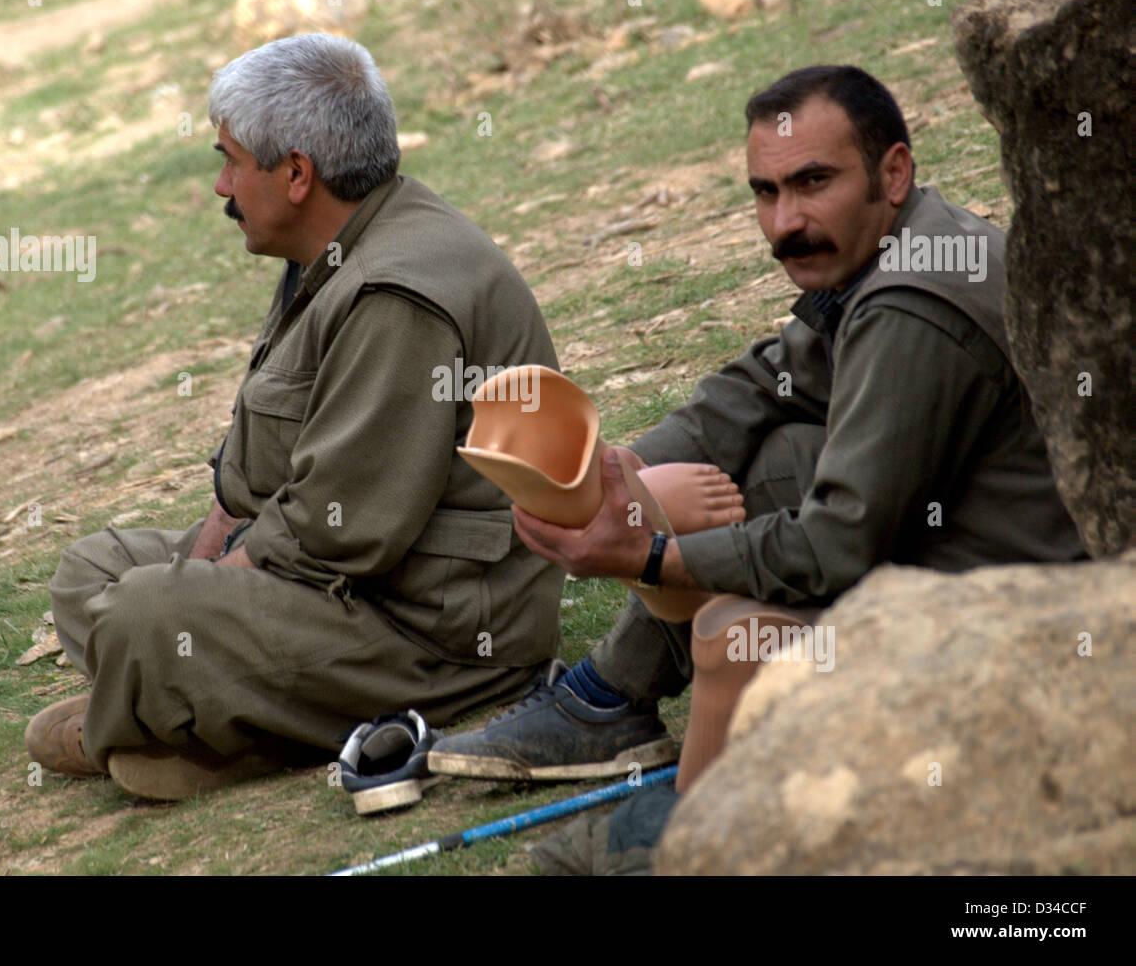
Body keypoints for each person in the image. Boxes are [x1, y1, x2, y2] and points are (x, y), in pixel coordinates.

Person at [427, 65, 1086, 801]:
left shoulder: (909, 308)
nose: (785, 223)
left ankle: (639, 737)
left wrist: (650, 556)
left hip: (1021, 592)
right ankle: (610, 700)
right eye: (766, 193)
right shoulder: (899, 244)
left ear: (893, 171)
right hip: (984, 530)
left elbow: (837, 543)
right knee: (760, 455)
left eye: (813, 183)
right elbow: (764, 383)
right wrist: (622, 473)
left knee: (742, 555)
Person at [24, 33, 565, 800]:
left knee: (148, 610)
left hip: (434, 631)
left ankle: (175, 720)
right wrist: (206, 571)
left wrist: (197, 596)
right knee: (94, 570)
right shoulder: (344, 247)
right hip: (354, 583)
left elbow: (341, 529)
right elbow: (262, 470)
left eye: (230, 160)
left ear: (297, 173)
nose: (220, 186)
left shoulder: (394, 292)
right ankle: (214, 716)